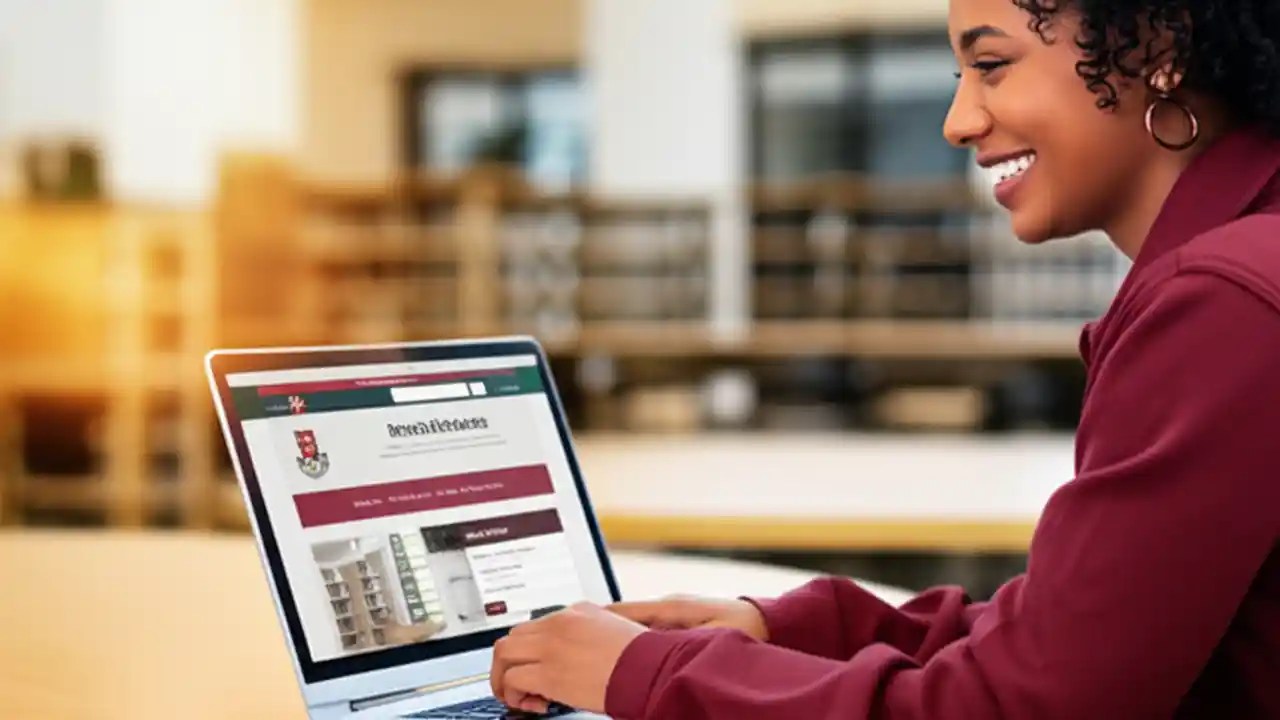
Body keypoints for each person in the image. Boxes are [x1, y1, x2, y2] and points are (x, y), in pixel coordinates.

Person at [490, 0, 1280, 716]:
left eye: (992, 66)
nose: (959, 120)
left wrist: (654, 675)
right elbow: (1092, 637)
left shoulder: (1223, 301)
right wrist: (788, 631)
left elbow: (1018, 707)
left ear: (1157, 46)